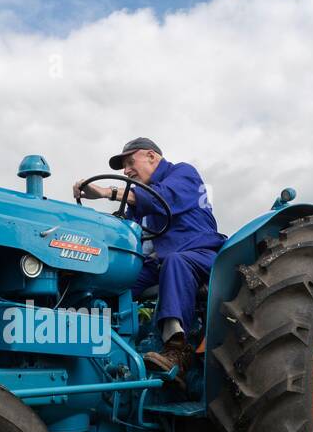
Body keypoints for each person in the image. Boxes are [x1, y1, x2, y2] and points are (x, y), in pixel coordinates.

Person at [73, 137, 227, 382]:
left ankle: (177, 350)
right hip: (156, 264)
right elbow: (125, 228)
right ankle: (86, 345)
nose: (126, 170)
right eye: (124, 166)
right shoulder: (139, 199)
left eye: (130, 162)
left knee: (176, 262)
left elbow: (159, 199)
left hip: (200, 255)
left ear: (151, 156)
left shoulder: (183, 174)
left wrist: (104, 191)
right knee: (112, 283)